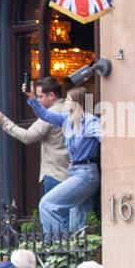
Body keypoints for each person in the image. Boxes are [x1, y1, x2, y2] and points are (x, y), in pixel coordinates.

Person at [27, 86, 101, 236]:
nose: (65, 102)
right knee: (76, 226)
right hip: (74, 172)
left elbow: (107, 138)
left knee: (47, 204)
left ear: (77, 102)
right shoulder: (67, 121)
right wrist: (32, 98)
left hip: (86, 174)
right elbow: (45, 115)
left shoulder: (90, 121)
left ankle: (58, 248)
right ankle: (72, 252)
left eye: (68, 99)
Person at [0, 76, 69, 203]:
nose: (38, 100)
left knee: (54, 218)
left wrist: (3, 120)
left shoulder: (52, 114)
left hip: (55, 175)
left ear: (51, 95)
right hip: (71, 175)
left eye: (39, 96)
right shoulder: (71, 109)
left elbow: (27, 137)